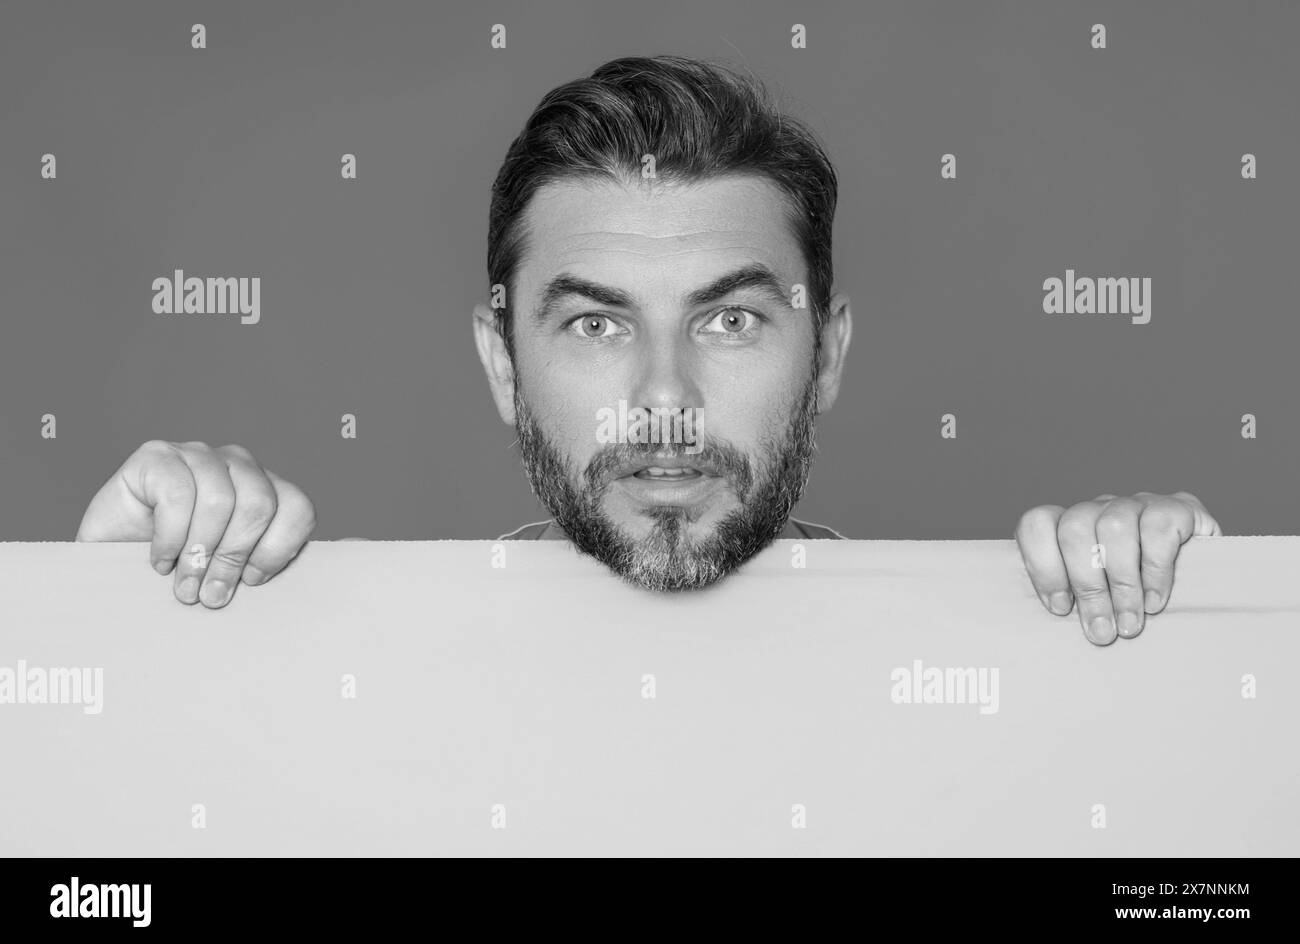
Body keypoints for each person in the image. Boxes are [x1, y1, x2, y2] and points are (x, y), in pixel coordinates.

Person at [75, 56, 1221, 645]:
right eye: (596, 323)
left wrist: (1199, 636)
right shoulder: (344, 679)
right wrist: (98, 625)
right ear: (500, 361)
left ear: (825, 352)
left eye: (729, 320)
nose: (663, 397)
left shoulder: (987, 672)